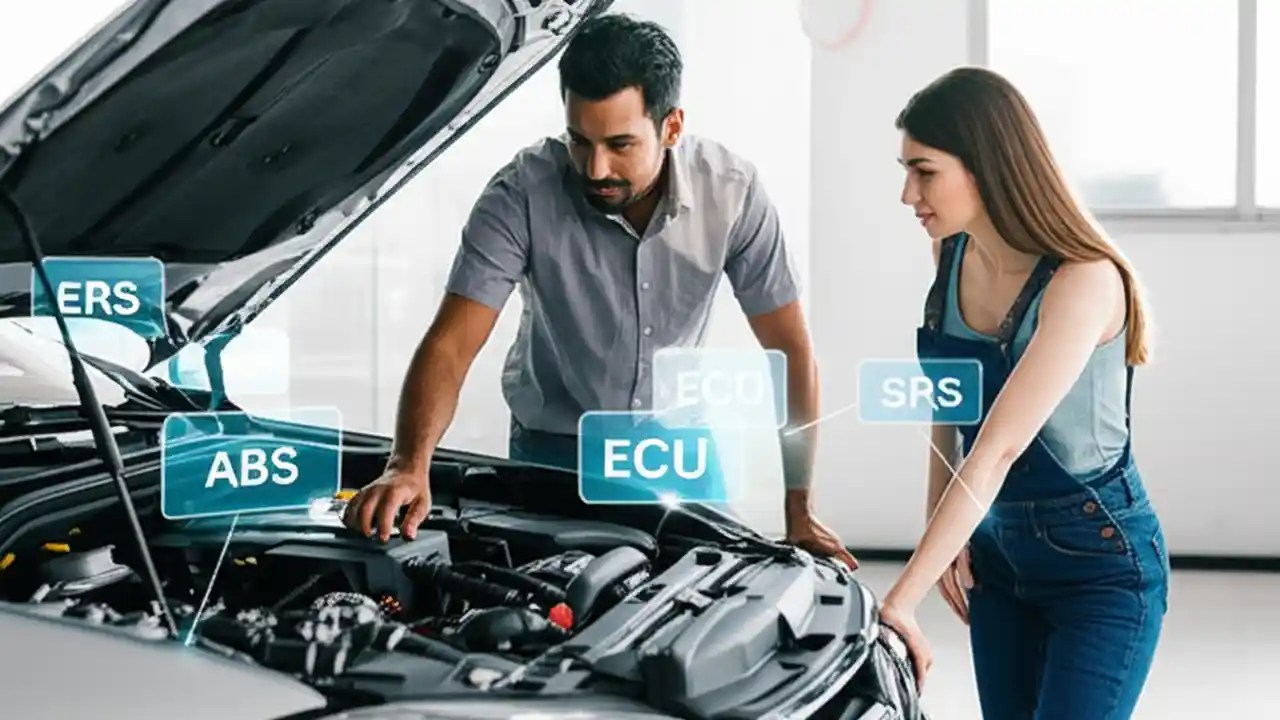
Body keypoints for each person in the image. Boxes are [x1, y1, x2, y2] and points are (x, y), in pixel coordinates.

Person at [341, 13, 856, 571]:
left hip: (675, 444)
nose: (596, 167)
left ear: (672, 127)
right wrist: (408, 463)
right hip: (556, 449)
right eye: (579, 141)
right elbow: (450, 345)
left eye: (621, 144)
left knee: (719, 589)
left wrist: (799, 507)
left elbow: (791, 352)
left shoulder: (731, 194)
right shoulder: (521, 194)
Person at [880, 66, 1170, 719]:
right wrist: (943, 535)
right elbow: (950, 406)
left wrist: (902, 598)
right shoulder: (950, 253)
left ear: (985, 166)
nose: (907, 194)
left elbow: (998, 449)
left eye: (924, 171)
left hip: (1100, 570)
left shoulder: (1084, 281)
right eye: (905, 170)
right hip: (1002, 563)